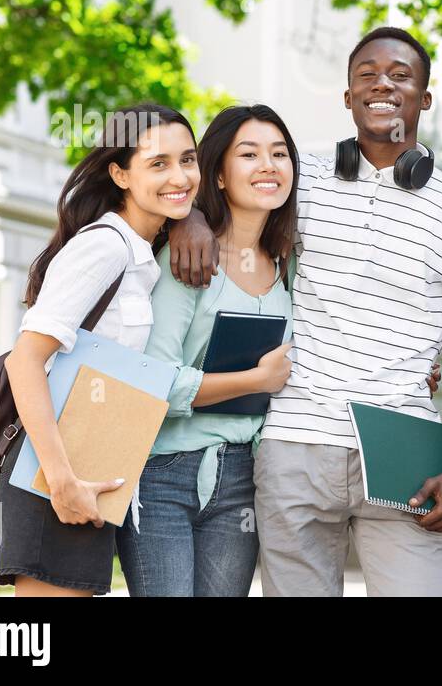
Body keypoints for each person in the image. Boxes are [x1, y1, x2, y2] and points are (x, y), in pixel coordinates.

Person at [168, 27, 442, 596]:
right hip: (293, 444)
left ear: (425, 96)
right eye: (366, 75)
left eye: (400, 75)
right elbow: (227, 186)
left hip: (406, 453)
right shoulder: (301, 179)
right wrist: (191, 218)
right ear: (347, 96)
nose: (382, 84)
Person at [0, 104, 200, 596]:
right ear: (119, 173)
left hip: (95, 470)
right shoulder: (105, 246)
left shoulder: (143, 254)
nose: (180, 176)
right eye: (158, 164)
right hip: (56, 472)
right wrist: (61, 478)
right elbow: (24, 359)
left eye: (188, 160)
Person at [115, 104, 298, 596]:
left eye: (280, 154)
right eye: (249, 154)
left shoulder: (290, 271)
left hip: (243, 476)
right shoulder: (189, 261)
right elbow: (150, 380)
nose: (268, 165)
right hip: (162, 474)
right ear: (217, 174)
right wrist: (254, 381)